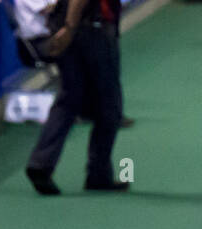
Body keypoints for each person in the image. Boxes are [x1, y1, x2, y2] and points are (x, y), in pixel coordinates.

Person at [25, 0, 128, 194]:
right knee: (109, 105)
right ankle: (98, 174)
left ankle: (41, 164)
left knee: (69, 98)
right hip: (90, 30)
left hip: (69, 26)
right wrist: (70, 27)